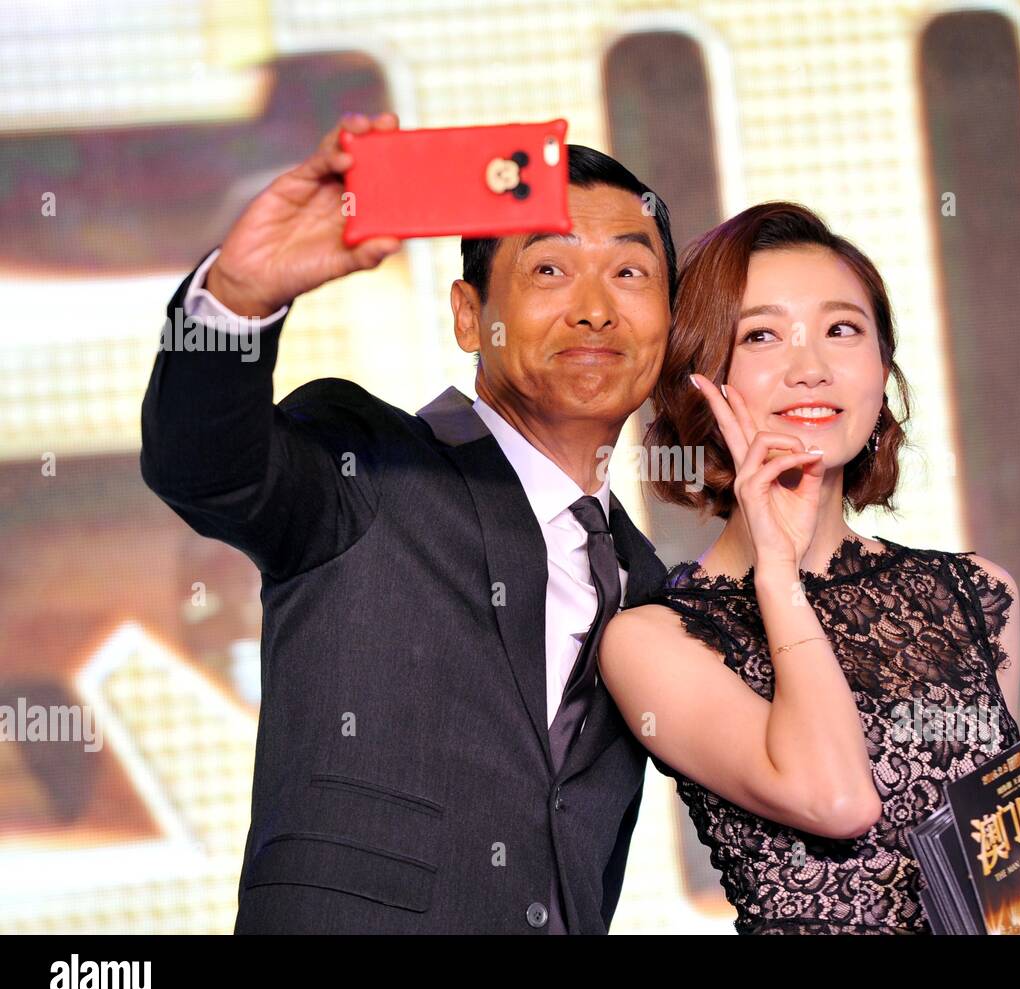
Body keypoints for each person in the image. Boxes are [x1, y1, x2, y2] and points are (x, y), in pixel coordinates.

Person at [140, 112, 677, 933]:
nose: (596, 310)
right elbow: (205, 467)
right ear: (470, 317)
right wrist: (239, 298)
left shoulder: (648, 585)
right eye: (550, 269)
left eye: (631, 274)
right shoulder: (372, 464)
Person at [597, 201, 1020, 934]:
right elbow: (836, 799)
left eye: (842, 330)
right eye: (762, 335)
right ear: (704, 378)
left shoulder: (975, 594)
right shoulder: (653, 639)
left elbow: (982, 874)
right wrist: (779, 576)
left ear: (881, 369)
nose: (810, 369)